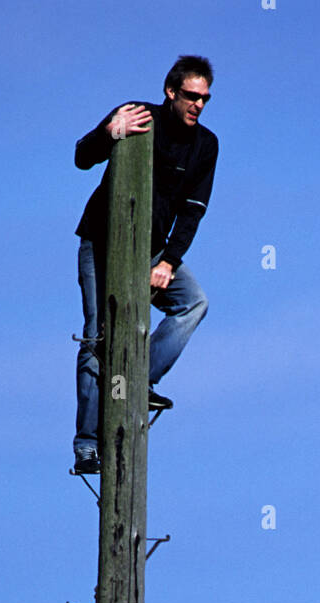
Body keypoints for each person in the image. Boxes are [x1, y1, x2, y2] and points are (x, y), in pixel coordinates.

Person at [72, 55, 218, 473]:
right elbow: (82, 156)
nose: (199, 105)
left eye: (205, 99)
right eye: (192, 96)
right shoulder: (137, 114)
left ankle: (140, 379)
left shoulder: (205, 145)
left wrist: (169, 262)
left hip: (152, 250)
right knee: (98, 337)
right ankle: (87, 442)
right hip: (103, 242)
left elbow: (193, 209)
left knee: (194, 302)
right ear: (171, 91)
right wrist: (109, 134)